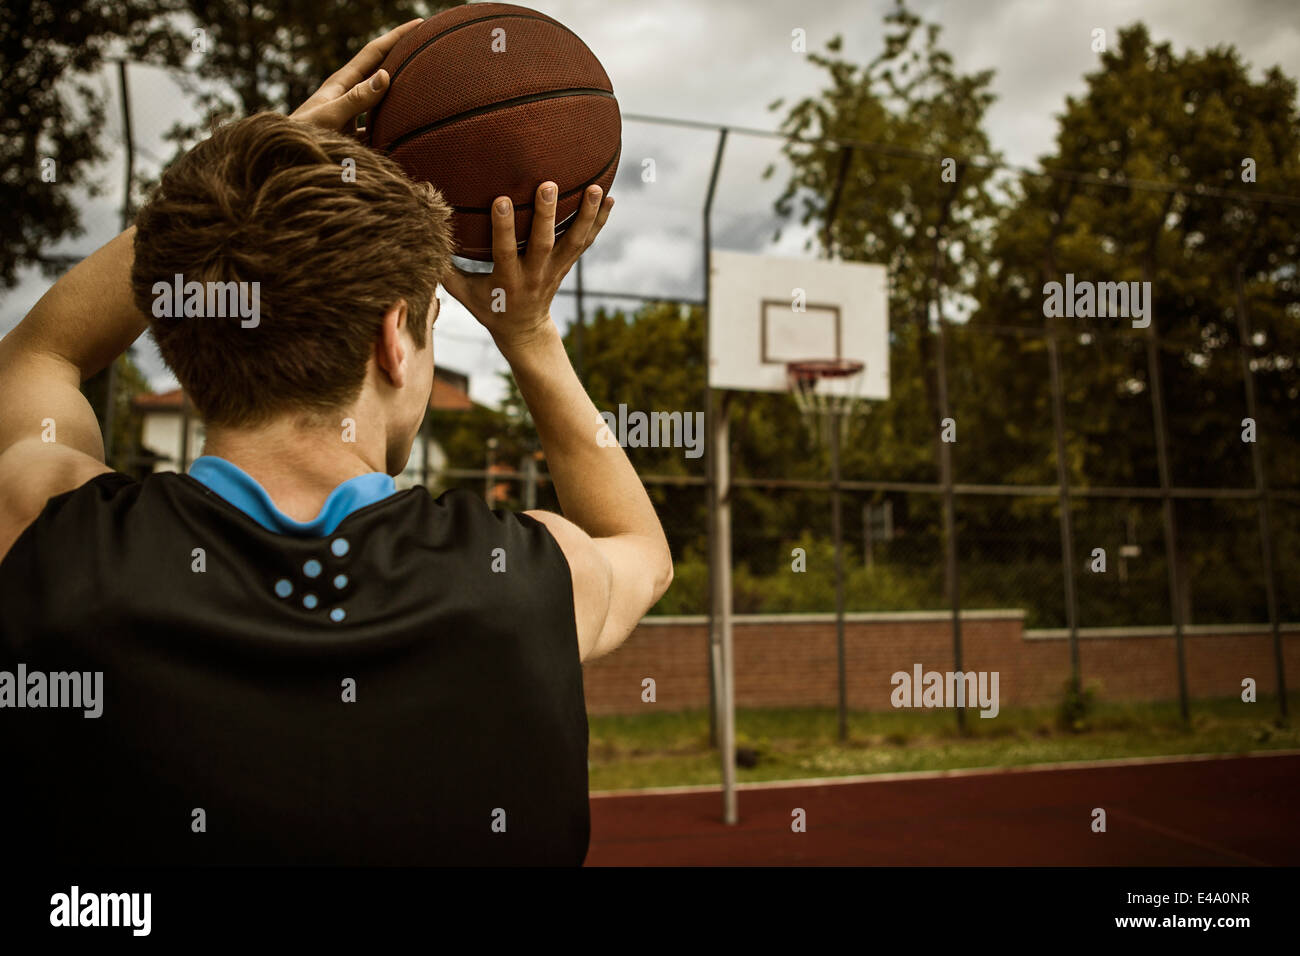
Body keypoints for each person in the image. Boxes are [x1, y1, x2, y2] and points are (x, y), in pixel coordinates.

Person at [0, 21, 672, 866]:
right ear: (396, 339)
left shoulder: (44, 535)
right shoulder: (530, 586)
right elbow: (640, 548)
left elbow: (43, 352)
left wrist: (242, 176)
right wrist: (528, 332)